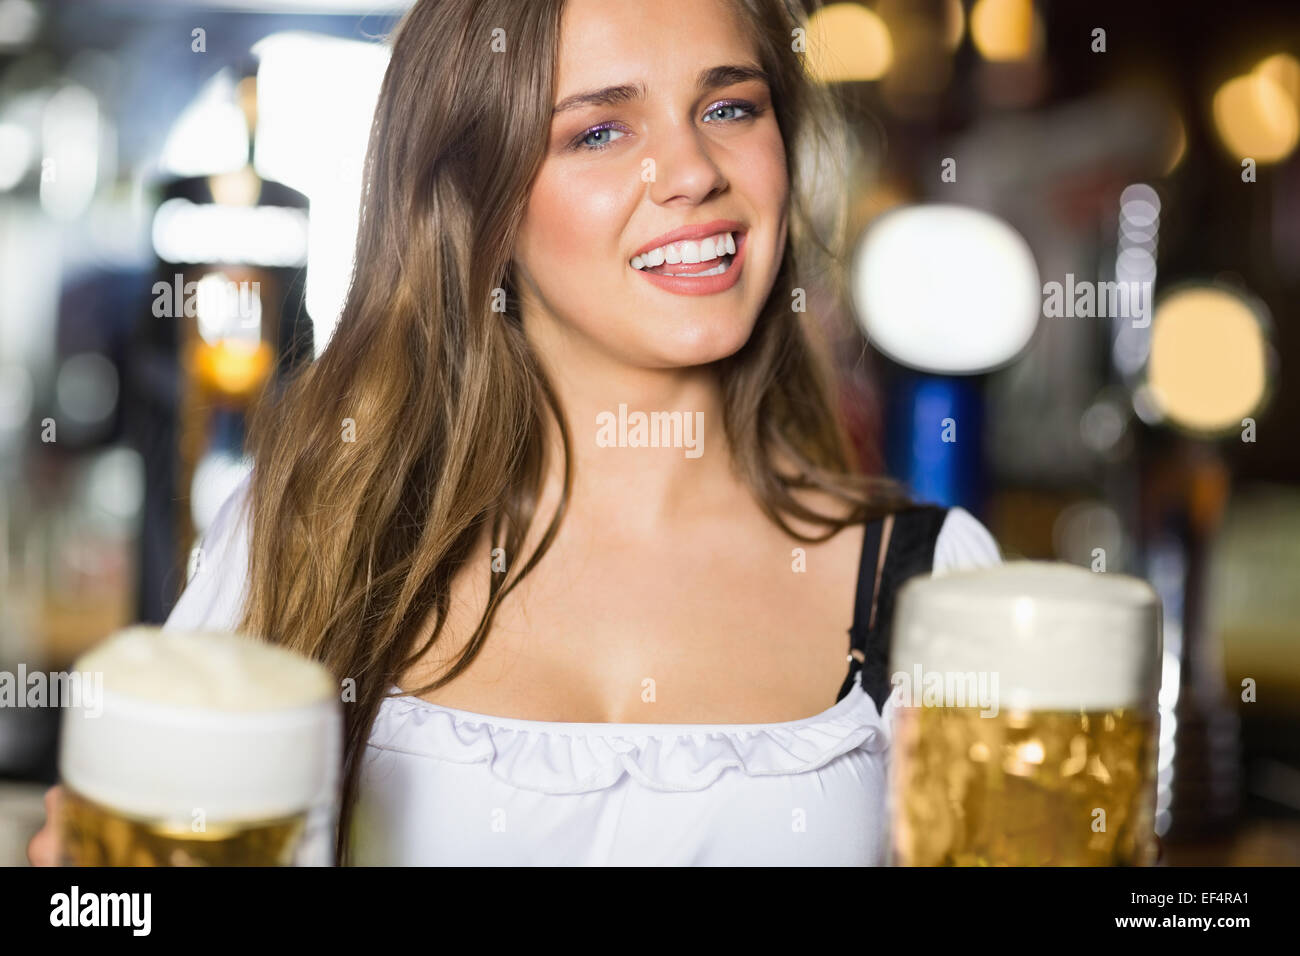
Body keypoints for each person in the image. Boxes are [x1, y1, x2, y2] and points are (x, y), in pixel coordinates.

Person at [30, 0, 1000, 867]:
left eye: (729, 107)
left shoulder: (930, 580)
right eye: (601, 129)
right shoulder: (303, 531)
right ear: (480, 199)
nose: (694, 172)